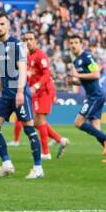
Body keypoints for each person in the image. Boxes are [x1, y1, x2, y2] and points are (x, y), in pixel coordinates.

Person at [0, 13, 44, 179]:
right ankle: (6, 164)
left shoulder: (16, 44)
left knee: (29, 129)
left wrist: (20, 92)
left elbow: (23, 69)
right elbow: (0, 70)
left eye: (2, 24)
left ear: (8, 26)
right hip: (5, 93)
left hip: (19, 92)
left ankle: (38, 168)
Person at [65, 34, 106, 163]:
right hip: (93, 95)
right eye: (71, 43)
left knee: (78, 122)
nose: (73, 45)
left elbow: (96, 74)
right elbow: (84, 81)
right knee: (96, 130)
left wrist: (78, 75)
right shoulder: (76, 61)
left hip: (95, 96)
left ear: (80, 44)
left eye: (76, 43)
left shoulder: (87, 57)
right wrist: (74, 82)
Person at [11, 30, 67, 159]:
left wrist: (35, 86)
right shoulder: (28, 56)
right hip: (37, 92)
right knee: (36, 122)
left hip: (45, 91)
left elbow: (47, 74)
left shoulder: (40, 55)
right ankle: (60, 140)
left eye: (31, 39)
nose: (28, 42)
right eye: (26, 39)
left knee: (40, 121)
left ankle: (46, 153)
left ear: (36, 41)